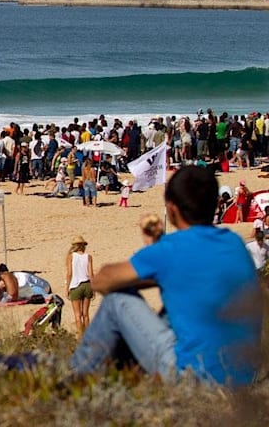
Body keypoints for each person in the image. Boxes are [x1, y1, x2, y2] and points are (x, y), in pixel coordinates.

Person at [71, 165, 263, 386]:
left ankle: (74, 381)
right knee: (175, 309)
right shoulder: (235, 244)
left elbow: (103, 280)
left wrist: (154, 252)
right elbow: (192, 275)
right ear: (215, 203)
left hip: (193, 377)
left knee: (118, 300)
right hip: (243, 378)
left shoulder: (172, 248)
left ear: (172, 209)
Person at [66, 235, 95, 333]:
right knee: (85, 314)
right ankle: (88, 335)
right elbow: (91, 274)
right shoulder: (88, 257)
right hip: (87, 285)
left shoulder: (71, 256)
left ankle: (80, 337)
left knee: (77, 315)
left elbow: (69, 274)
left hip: (75, 286)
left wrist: (67, 288)